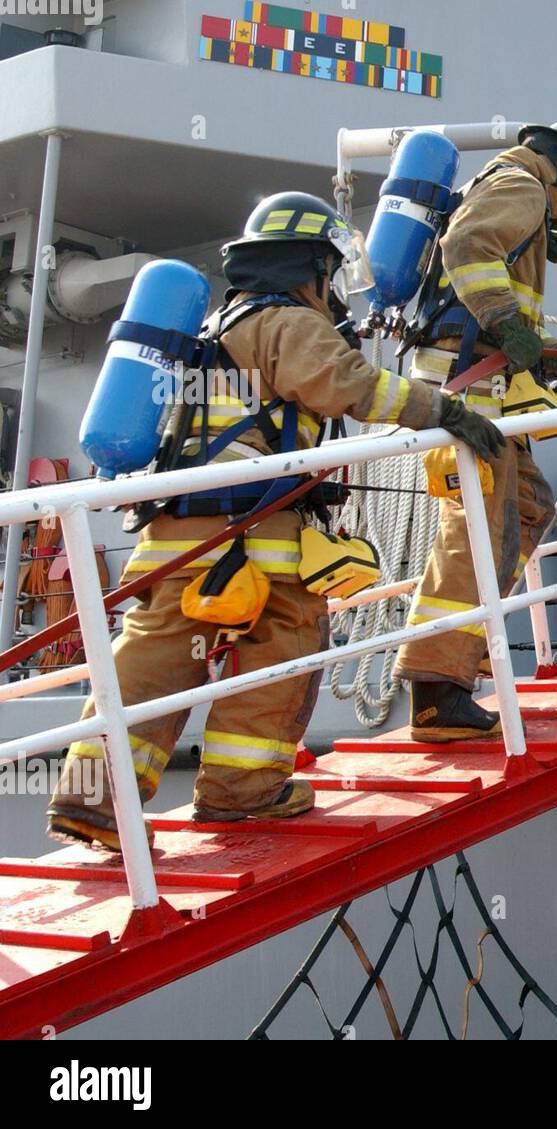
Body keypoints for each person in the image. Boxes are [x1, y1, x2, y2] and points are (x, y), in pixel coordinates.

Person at [47, 192, 502, 850]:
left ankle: (94, 798)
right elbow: (352, 387)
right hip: (252, 537)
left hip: (180, 534)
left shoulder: (225, 324)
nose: (338, 292)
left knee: (156, 663)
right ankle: (243, 790)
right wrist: (447, 412)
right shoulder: (289, 323)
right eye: (332, 274)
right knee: (283, 650)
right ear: (310, 268)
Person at [395, 120, 557, 740]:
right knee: (481, 525)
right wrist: (508, 321)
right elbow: (469, 249)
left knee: (527, 507)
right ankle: (436, 688)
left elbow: (512, 330)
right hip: (471, 389)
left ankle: (455, 667)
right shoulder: (525, 185)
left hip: (478, 378)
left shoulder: (504, 182)